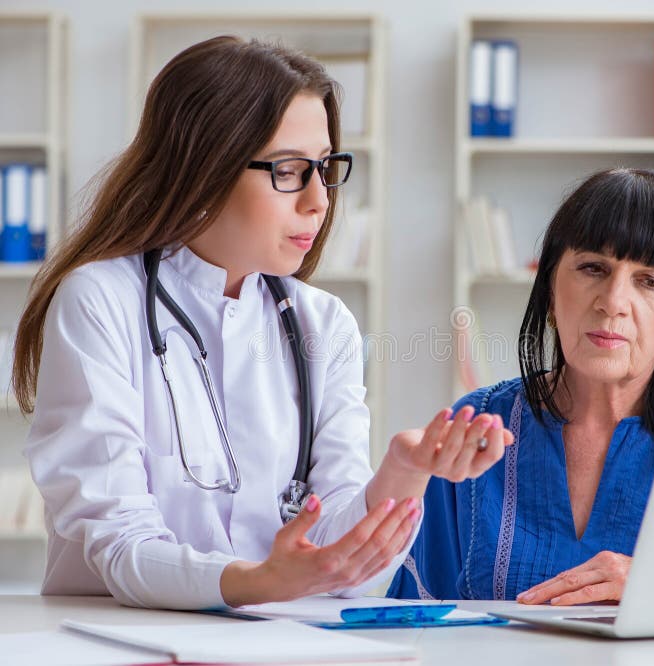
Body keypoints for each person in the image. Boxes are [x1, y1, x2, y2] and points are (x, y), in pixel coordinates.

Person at [13, 36, 513, 610]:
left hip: (278, 639)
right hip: (118, 642)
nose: (319, 201)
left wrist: (402, 474)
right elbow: (118, 543)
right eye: (289, 170)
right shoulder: (101, 301)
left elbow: (339, 565)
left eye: (325, 169)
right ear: (205, 167)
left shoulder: (323, 324)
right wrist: (260, 582)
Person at [388, 168, 654, 604]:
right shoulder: (475, 429)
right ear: (548, 288)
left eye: (650, 281)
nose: (613, 302)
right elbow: (414, 624)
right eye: (592, 268)